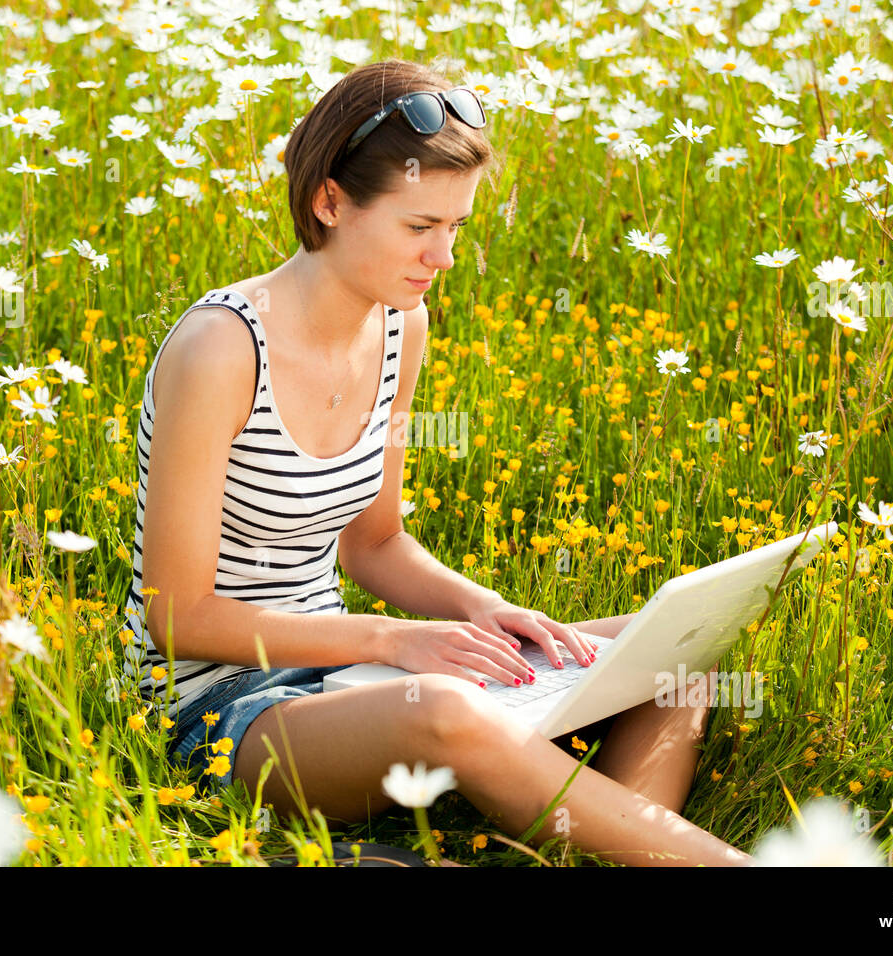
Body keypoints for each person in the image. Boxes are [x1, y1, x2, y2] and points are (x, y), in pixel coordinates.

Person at [123, 59, 750, 866]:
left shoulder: (397, 326)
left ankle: (593, 848)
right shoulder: (220, 349)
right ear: (330, 202)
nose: (444, 257)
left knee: (672, 654)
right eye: (421, 228)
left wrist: (483, 611)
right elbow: (177, 617)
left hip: (346, 677)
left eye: (456, 228)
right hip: (221, 709)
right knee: (448, 710)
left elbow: (376, 544)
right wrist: (393, 643)